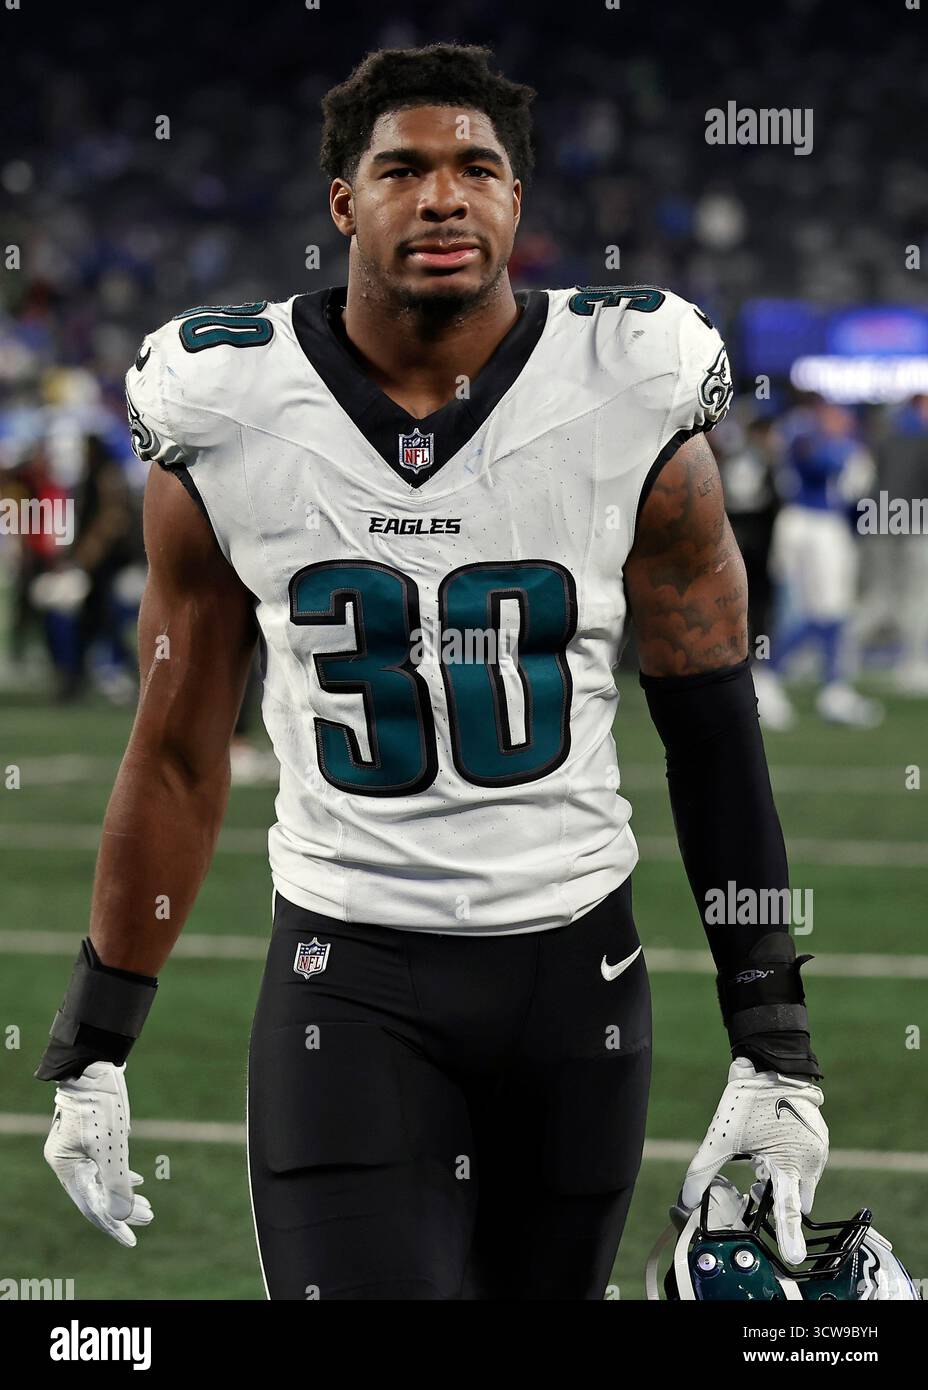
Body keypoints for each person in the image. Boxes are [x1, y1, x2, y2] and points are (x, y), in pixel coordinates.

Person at [36, 43, 826, 1301]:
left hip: (580, 977)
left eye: (477, 168)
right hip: (344, 982)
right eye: (402, 168)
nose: (443, 196)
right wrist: (95, 1037)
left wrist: (774, 1041)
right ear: (344, 203)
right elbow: (180, 748)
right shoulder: (226, 407)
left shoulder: (630, 388)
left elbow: (714, 733)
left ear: (518, 203)